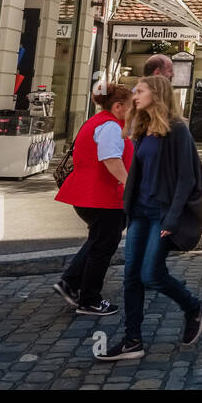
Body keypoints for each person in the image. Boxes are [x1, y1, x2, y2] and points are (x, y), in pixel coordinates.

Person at [97, 75, 202, 361]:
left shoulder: (178, 130)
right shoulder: (144, 128)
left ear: (156, 94)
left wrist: (172, 219)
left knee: (151, 274)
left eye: (140, 90)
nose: (135, 95)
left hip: (162, 214)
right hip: (140, 213)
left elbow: (186, 178)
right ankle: (132, 339)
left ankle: (193, 307)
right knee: (131, 277)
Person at [54, 84, 134, 316]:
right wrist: (129, 185)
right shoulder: (109, 126)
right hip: (102, 196)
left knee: (99, 240)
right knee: (103, 247)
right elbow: (111, 159)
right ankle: (89, 299)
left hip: (91, 193)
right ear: (118, 106)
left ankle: (69, 282)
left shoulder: (100, 121)